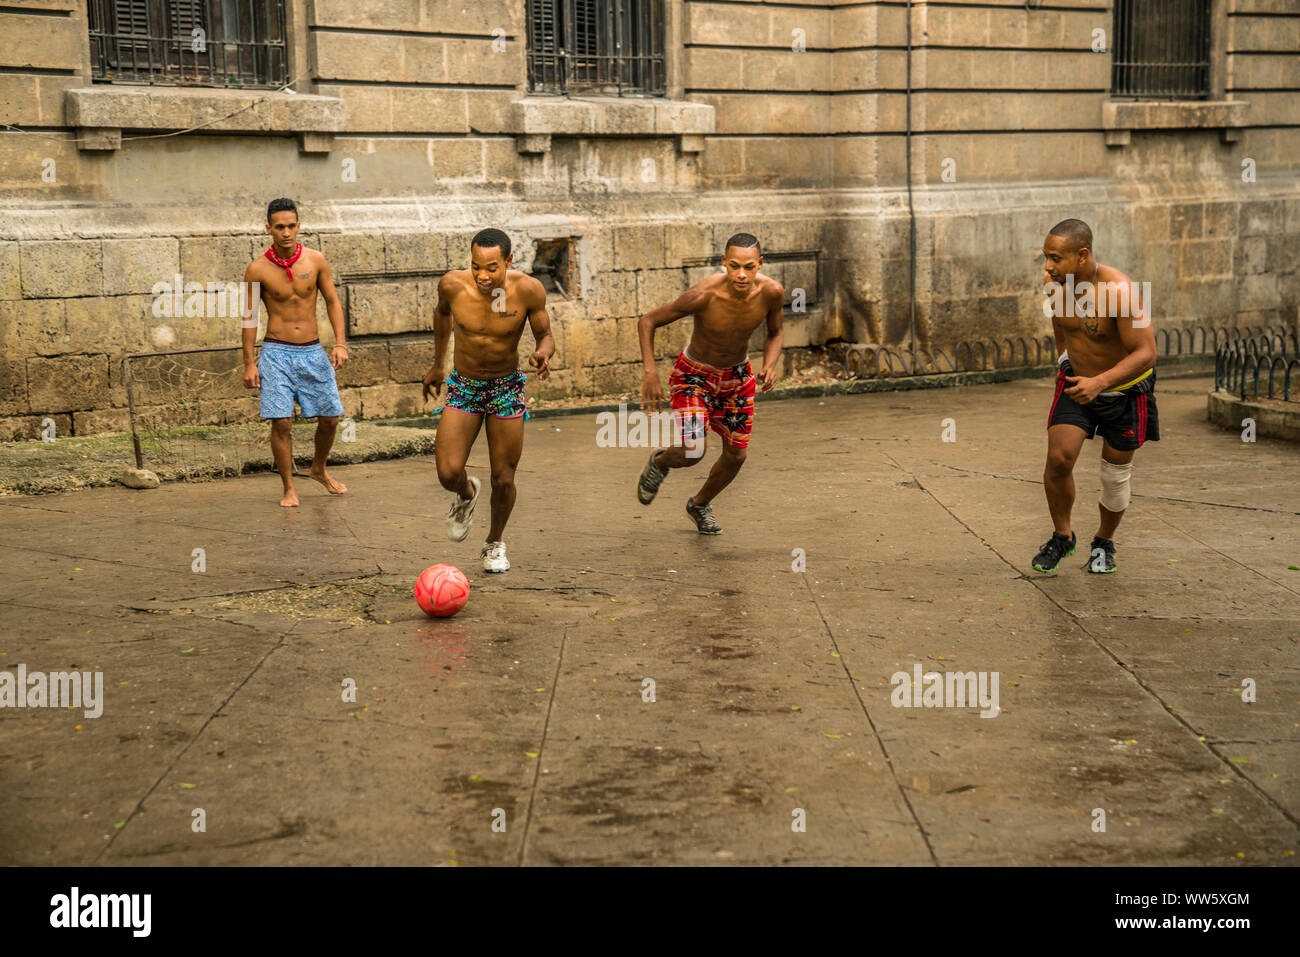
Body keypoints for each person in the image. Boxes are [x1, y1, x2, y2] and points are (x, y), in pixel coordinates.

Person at [421, 228, 555, 573]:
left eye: (492, 267)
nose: (482, 276)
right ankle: (466, 494)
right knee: (448, 472)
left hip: (506, 388)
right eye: (476, 266)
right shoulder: (452, 285)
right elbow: (442, 316)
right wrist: (438, 364)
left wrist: (542, 354)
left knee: (504, 478)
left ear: (509, 261)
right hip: (465, 385)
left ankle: (494, 542)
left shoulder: (529, 290)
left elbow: (545, 335)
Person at [635, 233, 784, 534]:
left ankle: (700, 504)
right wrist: (650, 373)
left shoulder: (772, 293)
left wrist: (769, 364)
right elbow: (647, 321)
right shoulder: (703, 295)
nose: (742, 274)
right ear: (723, 263)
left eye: (749, 267)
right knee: (693, 450)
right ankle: (662, 462)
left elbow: (775, 332)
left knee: (737, 455)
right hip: (694, 376)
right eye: (734, 266)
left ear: (761, 264)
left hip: (737, 379)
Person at [1033, 218, 1158, 574]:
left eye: (1055, 258)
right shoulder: (1054, 285)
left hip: (1124, 390)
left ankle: (1104, 541)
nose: (1047, 266)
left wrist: (1100, 382)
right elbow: (1061, 324)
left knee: (1114, 476)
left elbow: (1146, 353)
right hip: (1076, 383)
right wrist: (1063, 360)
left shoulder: (1120, 291)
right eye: (1045, 256)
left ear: (1082, 255)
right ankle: (1063, 536)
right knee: (1058, 460)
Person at [241, 198, 348, 508]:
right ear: (268, 228)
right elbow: (250, 318)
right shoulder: (257, 269)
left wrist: (340, 343)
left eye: (291, 226)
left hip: (313, 352)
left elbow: (332, 302)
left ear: (298, 226)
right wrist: (249, 363)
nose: (286, 232)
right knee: (282, 422)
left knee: (331, 417)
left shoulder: (316, 261)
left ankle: (318, 468)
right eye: (279, 227)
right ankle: (289, 487)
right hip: (276, 353)